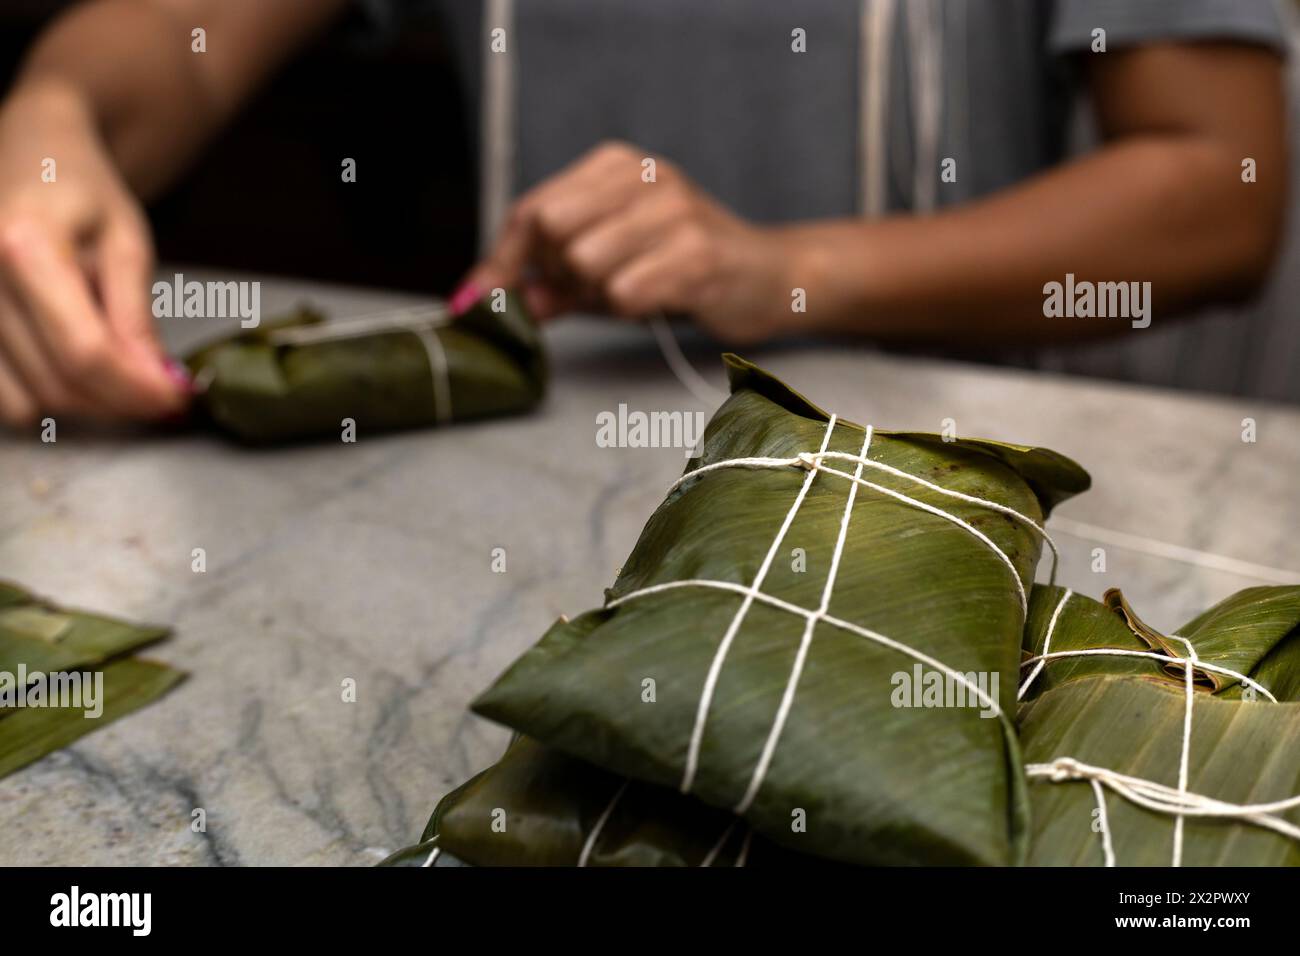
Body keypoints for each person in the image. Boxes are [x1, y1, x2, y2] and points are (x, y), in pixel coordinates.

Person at [0, 0, 1288, 427]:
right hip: (543, 462)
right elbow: (183, 37)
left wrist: (788, 269)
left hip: (938, 496)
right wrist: (51, 116)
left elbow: (1217, 188)